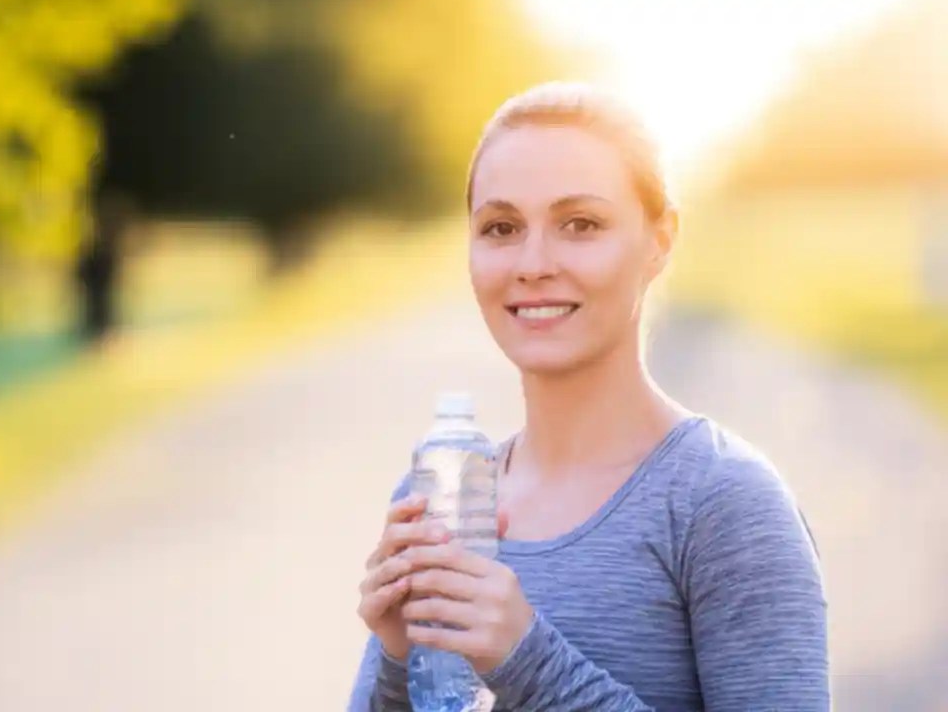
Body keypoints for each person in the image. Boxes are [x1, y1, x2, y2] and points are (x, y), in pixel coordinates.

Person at [347, 82, 830, 711]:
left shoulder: (724, 503)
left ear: (659, 241)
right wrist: (397, 656)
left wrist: (527, 660)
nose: (534, 262)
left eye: (580, 224)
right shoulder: (440, 498)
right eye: (501, 227)